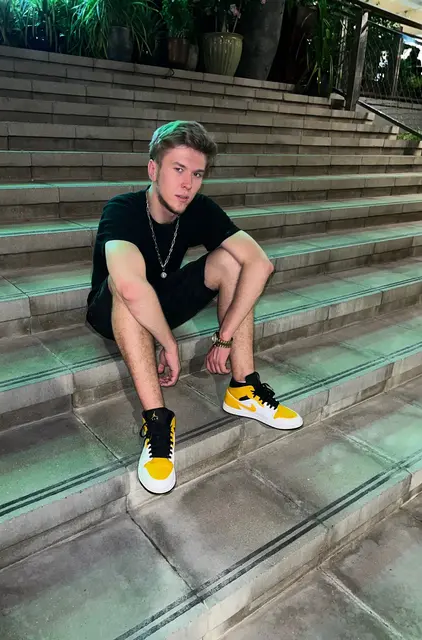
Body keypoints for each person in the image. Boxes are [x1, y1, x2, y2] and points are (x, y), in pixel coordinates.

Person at [86, 120, 303, 495]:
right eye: (178, 169)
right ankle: (157, 422)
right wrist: (169, 343)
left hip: (162, 299)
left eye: (197, 174)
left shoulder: (199, 208)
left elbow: (260, 264)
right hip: (113, 309)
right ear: (153, 169)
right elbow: (132, 288)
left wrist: (224, 336)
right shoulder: (122, 210)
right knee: (126, 284)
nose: (187, 184)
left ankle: (243, 389)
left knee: (233, 262)